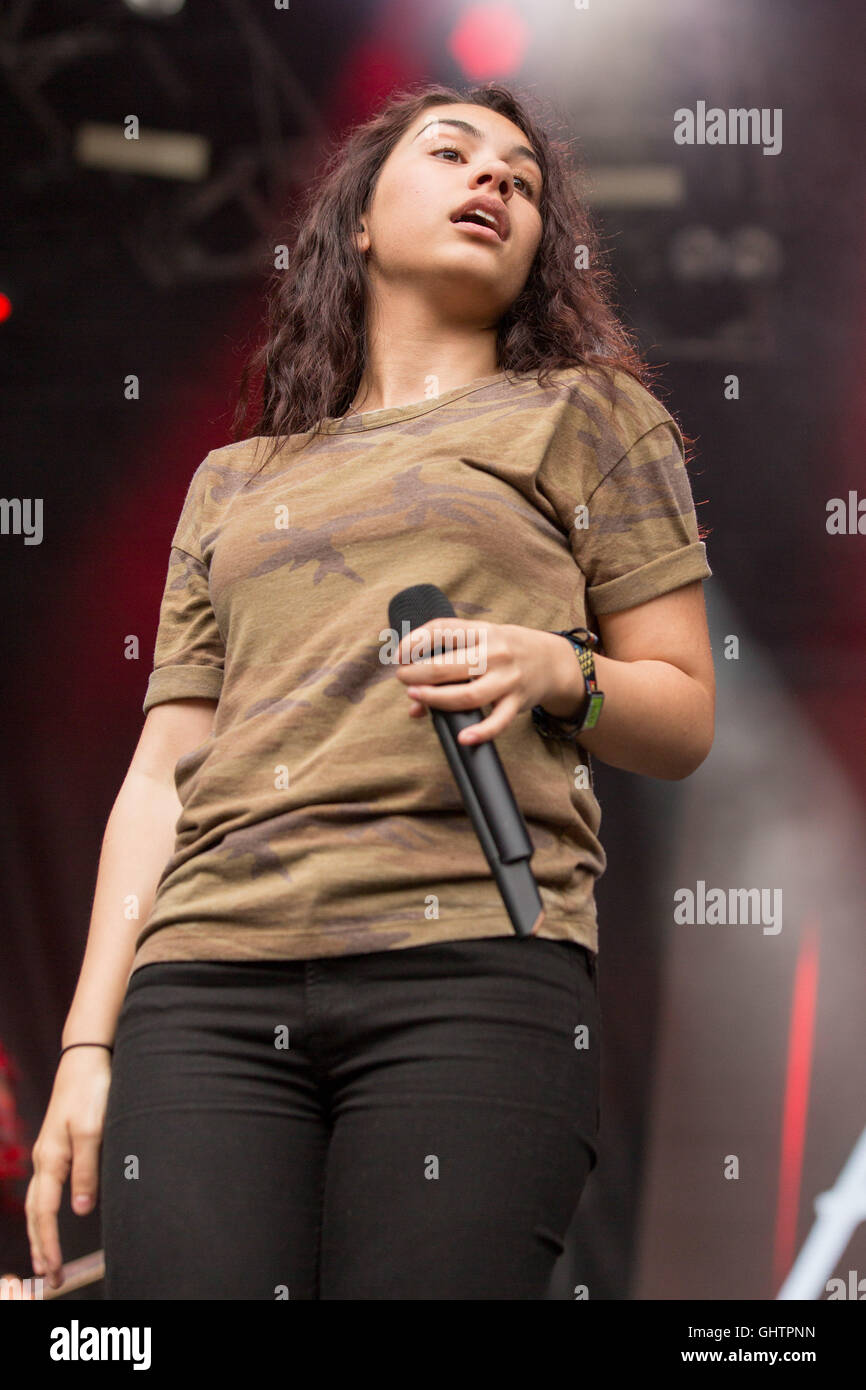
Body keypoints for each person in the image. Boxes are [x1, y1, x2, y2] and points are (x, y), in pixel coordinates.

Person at [25, 80, 715, 1300]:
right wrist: (87, 1044)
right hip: (207, 985)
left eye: (523, 178)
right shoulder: (234, 480)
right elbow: (161, 776)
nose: (495, 179)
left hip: (473, 972)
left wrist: (560, 667)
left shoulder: (590, 418)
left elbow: (682, 714)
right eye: (453, 152)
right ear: (353, 223)